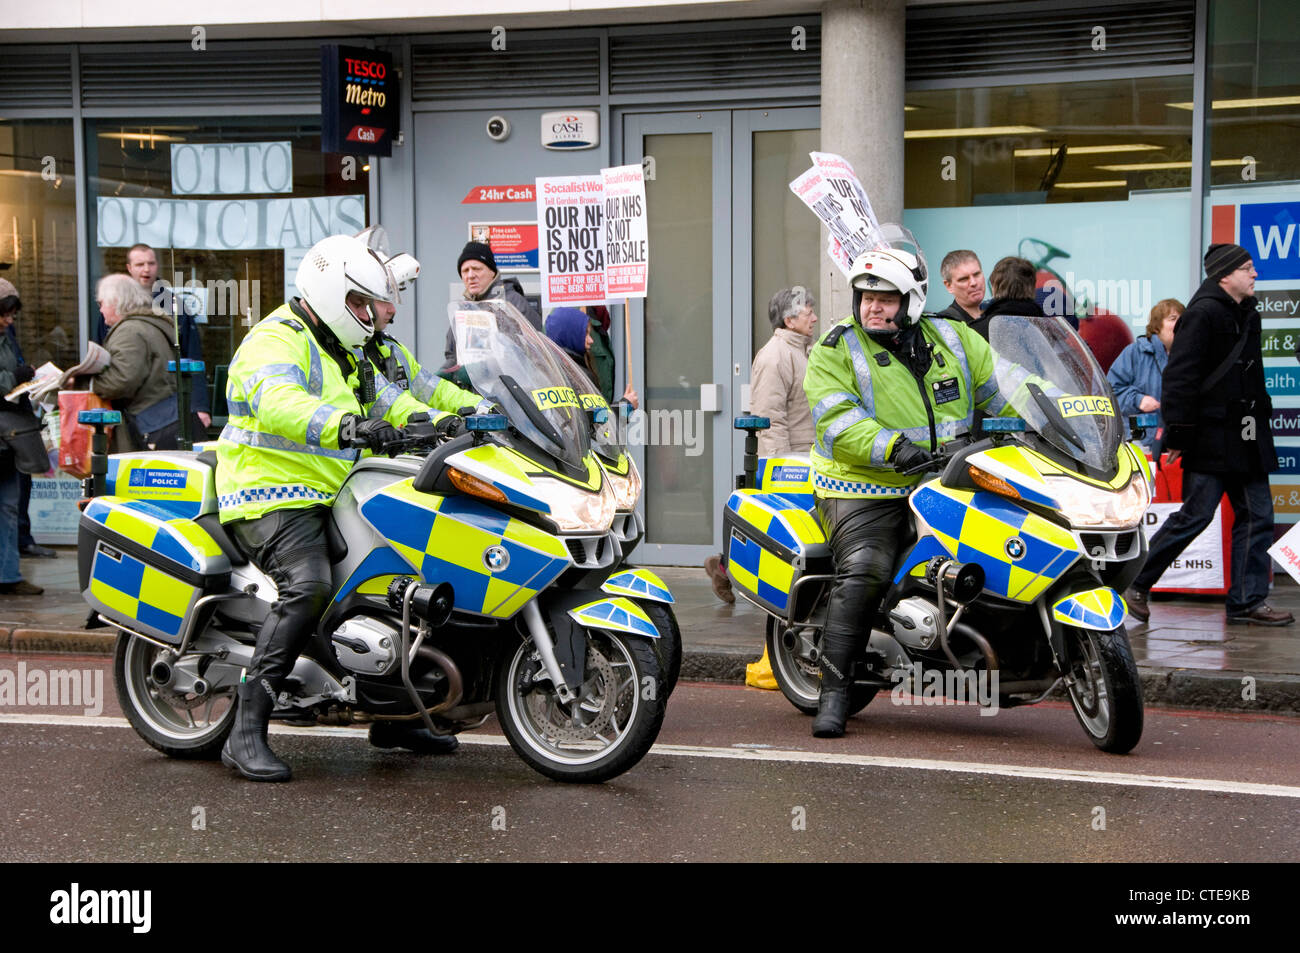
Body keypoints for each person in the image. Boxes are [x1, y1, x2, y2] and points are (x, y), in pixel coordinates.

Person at [217, 233, 465, 782]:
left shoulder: (343, 350)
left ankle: (396, 714)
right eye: (360, 303)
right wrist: (346, 426)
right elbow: (278, 401)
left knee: (408, 571)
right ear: (333, 296)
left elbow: (398, 398)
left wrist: (471, 415)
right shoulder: (276, 338)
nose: (371, 313)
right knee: (309, 585)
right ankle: (245, 730)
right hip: (270, 493)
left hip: (335, 489)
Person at [802, 226, 1007, 737]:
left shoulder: (955, 339)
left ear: (912, 301)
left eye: (885, 298)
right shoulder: (835, 350)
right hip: (862, 489)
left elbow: (1009, 387)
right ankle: (834, 690)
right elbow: (838, 421)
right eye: (866, 296)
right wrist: (896, 449)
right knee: (867, 568)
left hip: (946, 479)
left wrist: (1060, 414)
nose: (872, 307)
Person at [1125, 244, 1293, 627]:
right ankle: (1136, 582)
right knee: (1196, 515)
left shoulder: (1248, 312)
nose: (1255, 274)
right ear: (1225, 275)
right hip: (1211, 437)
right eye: (1247, 268)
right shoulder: (1201, 314)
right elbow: (1180, 378)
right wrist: (1179, 436)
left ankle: (1247, 601)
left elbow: (1252, 374)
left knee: (1257, 515)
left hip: (1247, 437)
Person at [355, 228, 482, 417]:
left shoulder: (391, 349)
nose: (392, 309)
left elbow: (433, 389)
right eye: (384, 300)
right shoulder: (347, 353)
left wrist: (483, 405)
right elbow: (391, 404)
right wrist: (439, 419)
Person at [98, 245, 210, 437]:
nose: (146, 269)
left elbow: (191, 355)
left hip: (166, 404)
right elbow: (104, 356)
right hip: (131, 410)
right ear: (129, 268)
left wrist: (199, 405)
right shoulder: (110, 308)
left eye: (151, 263)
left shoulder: (173, 304)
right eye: (140, 264)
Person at [91, 274, 183, 452]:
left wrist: (86, 383)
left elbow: (121, 381)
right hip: (165, 421)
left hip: (149, 425)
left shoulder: (130, 331)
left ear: (116, 301)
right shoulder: (150, 325)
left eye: (102, 303)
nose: (101, 310)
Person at [442, 242, 543, 386]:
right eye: (465, 271)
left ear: (492, 272)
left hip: (511, 393)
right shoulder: (462, 311)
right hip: (474, 397)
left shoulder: (512, 303)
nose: (470, 275)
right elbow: (453, 355)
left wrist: (482, 369)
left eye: (476, 269)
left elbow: (524, 353)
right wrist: (445, 371)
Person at [0, 278, 43, 596]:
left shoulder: (6, 338)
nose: (9, 320)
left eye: (12, 314)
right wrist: (12, 377)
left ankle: (9, 575)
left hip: (7, 436)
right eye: (4, 314)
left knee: (9, 506)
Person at [1106, 298, 1184, 451]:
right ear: (1157, 326)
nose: (1179, 323)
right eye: (1173, 318)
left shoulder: (1190, 357)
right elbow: (1109, 392)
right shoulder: (1134, 353)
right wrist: (1138, 400)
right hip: (1141, 443)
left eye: (1182, 319)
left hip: (1178, 444)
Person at [544, 307, 638, 408]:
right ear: (571, 335)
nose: (591, 340)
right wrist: (627, 407)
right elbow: (600, 418)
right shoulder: (576, 376)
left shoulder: (551, 369)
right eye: (585, 334)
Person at [935, 249, 985, 324]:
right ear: (949, 286)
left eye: (976, 274)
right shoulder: (945, 325)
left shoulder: (997, 314)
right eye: (964, 279)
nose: (973, 283)